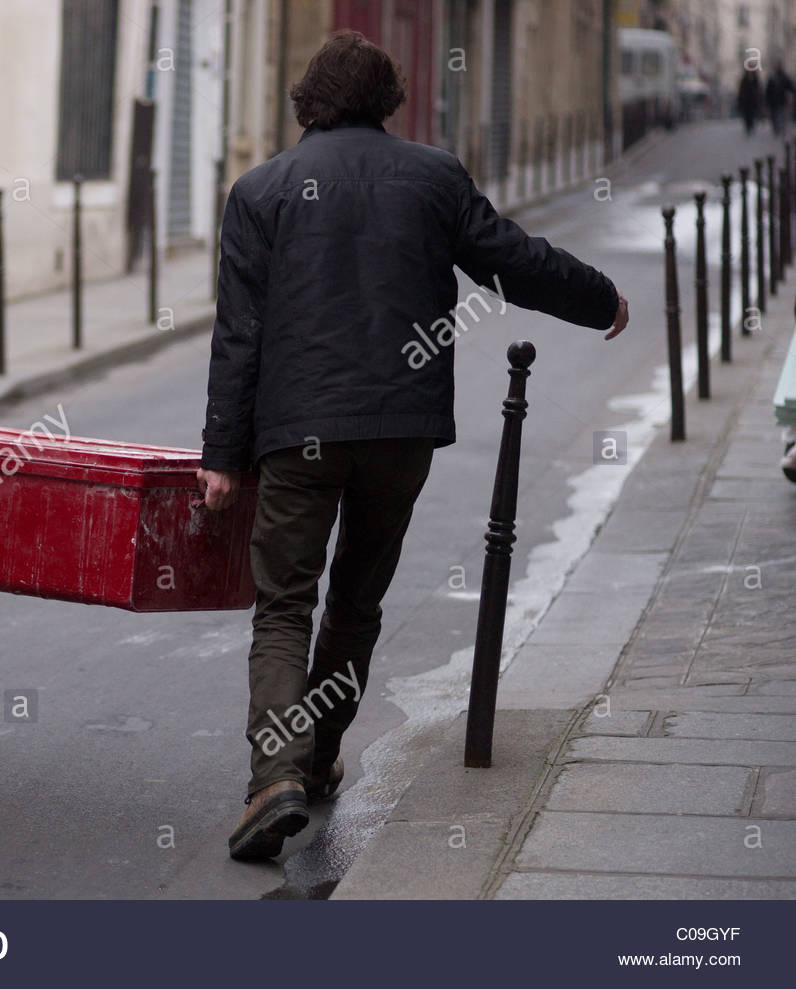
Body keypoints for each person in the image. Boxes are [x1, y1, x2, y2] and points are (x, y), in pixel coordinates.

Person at [196, 32, 629, 861]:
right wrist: (597, 295)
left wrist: (222, 453)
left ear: (307, 102)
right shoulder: (431, 177)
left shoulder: (261, 191)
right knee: (357, 603)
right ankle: (318, 757)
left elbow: (239, 337)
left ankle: (276, 775)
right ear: (388, 97)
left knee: (285, 603)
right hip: (400, 429)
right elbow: (511, 260)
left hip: (299, 434)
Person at [766, 63, 793, 135]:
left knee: (780, 116)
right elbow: (768, 91)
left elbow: (791, 87)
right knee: (777, 116)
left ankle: (780, 129)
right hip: (776, 101)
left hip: (780, 101)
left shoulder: (783, 77)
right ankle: (778, 129)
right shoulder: (773, 78)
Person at [739, 67, 762, 135]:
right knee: (746, 115)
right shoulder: (744, 79)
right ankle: (748, 127)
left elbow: (759, 90)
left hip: (753, 101)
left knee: (752, 115)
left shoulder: (755, 79)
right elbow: (741, 91)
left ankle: (751, 126)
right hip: (746, 102)